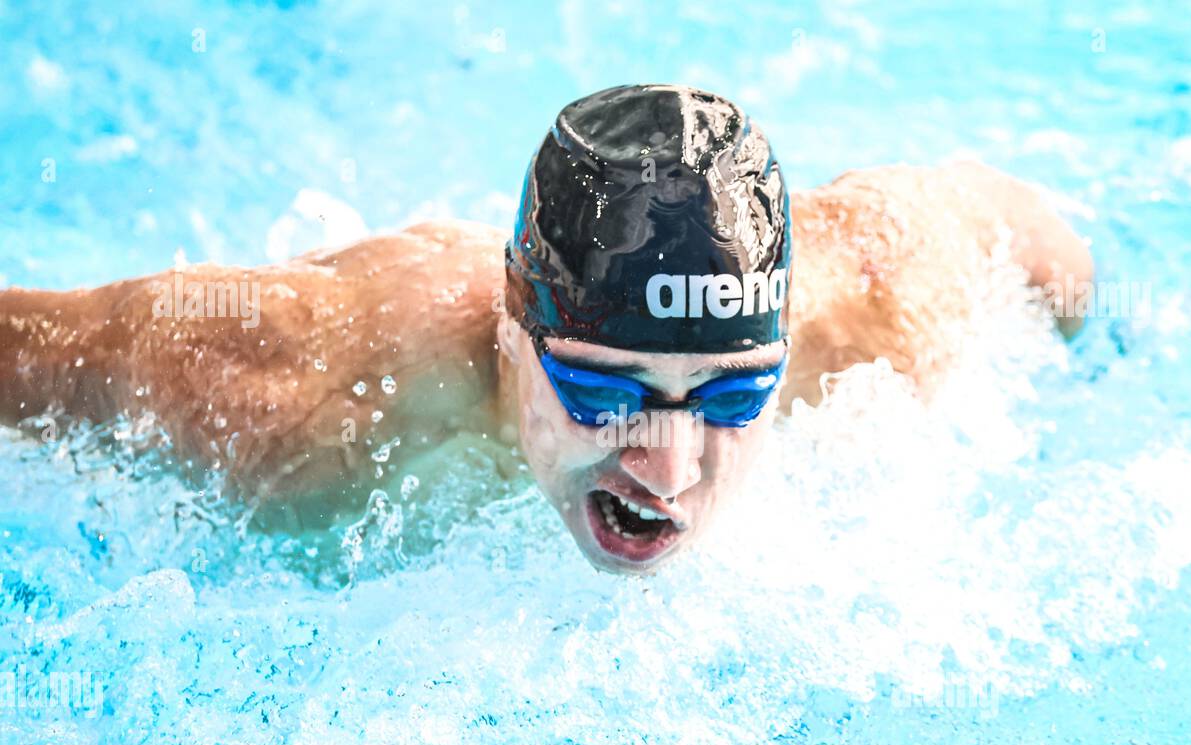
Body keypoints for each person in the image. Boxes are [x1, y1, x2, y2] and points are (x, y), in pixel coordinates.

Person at [0, 84, 1092, 573]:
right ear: (512, 329)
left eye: (726, 393)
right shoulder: (303, 384)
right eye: (606, 390)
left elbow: (1034, 238)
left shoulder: (881, 302)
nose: (667, 466)